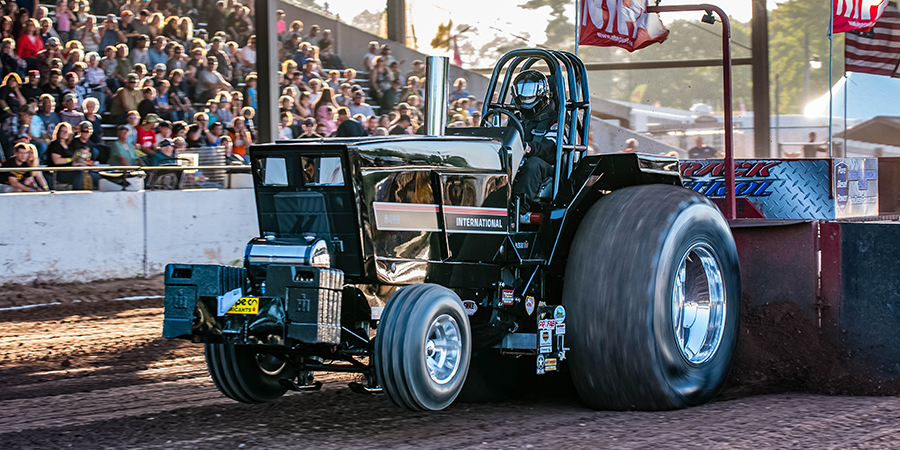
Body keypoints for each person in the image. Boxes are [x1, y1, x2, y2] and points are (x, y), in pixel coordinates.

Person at [507, 70, 559, 222]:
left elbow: (551, 149)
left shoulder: (557, 119)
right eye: (522, 96)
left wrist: (528, 148)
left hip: (548, 168)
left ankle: (515, 212)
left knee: (533, 164)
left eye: (529, 95)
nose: (526, 98)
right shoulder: (516, 119)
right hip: (517, 163)